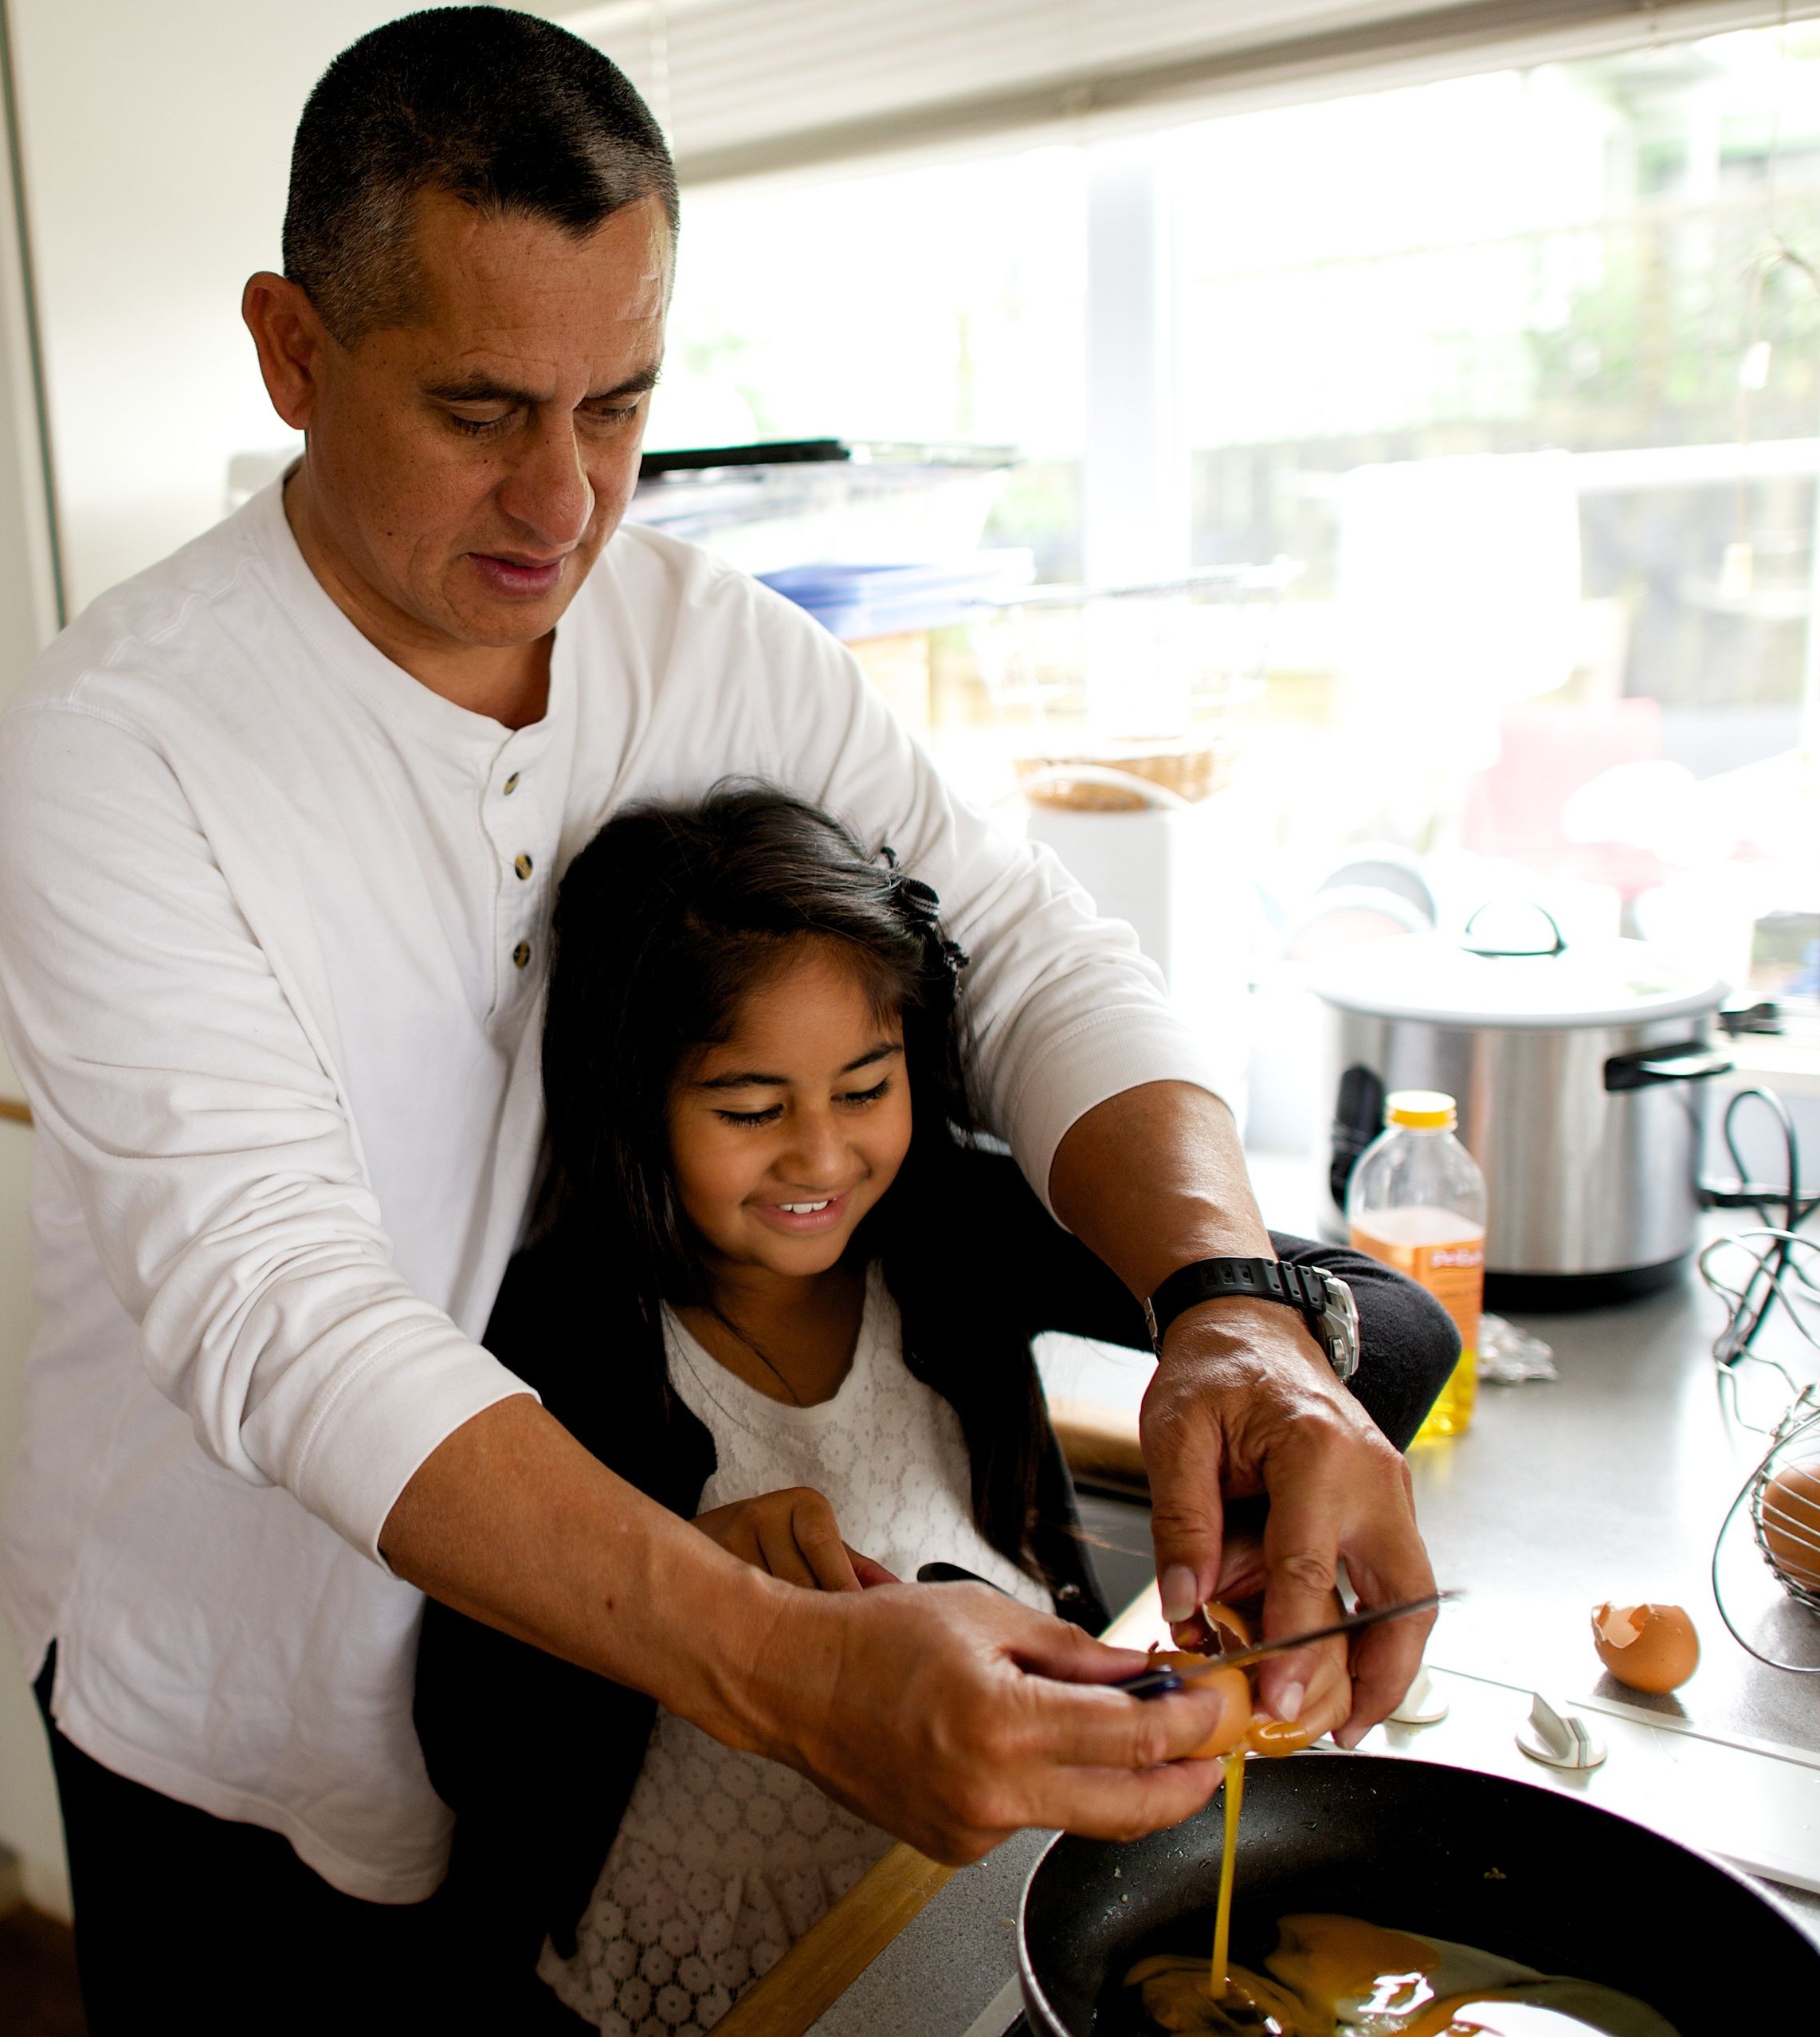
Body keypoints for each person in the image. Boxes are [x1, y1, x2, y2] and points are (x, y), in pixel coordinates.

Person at [0, 12, 1437, 2027]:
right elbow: (282, 1306)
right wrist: (785, 1669)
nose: (564, 503)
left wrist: (1236, 1308)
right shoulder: (121, 745)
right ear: (292, 352)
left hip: (549, 1658)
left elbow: (1014, 945)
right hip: (234, 1668)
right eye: (481, 409)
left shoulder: (710, 647)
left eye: (619, 402)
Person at [414, 788, 1456, 2034]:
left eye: (866, 1088)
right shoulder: (554, 1334)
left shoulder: (950, 1227)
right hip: (704, 1957)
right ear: (628, 1106)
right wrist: (680, 1593)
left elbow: (1399, 1319)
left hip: (980, 1891)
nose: (821, 1156)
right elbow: (464, 1739)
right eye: (750, 1110)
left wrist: (1254, 1380)